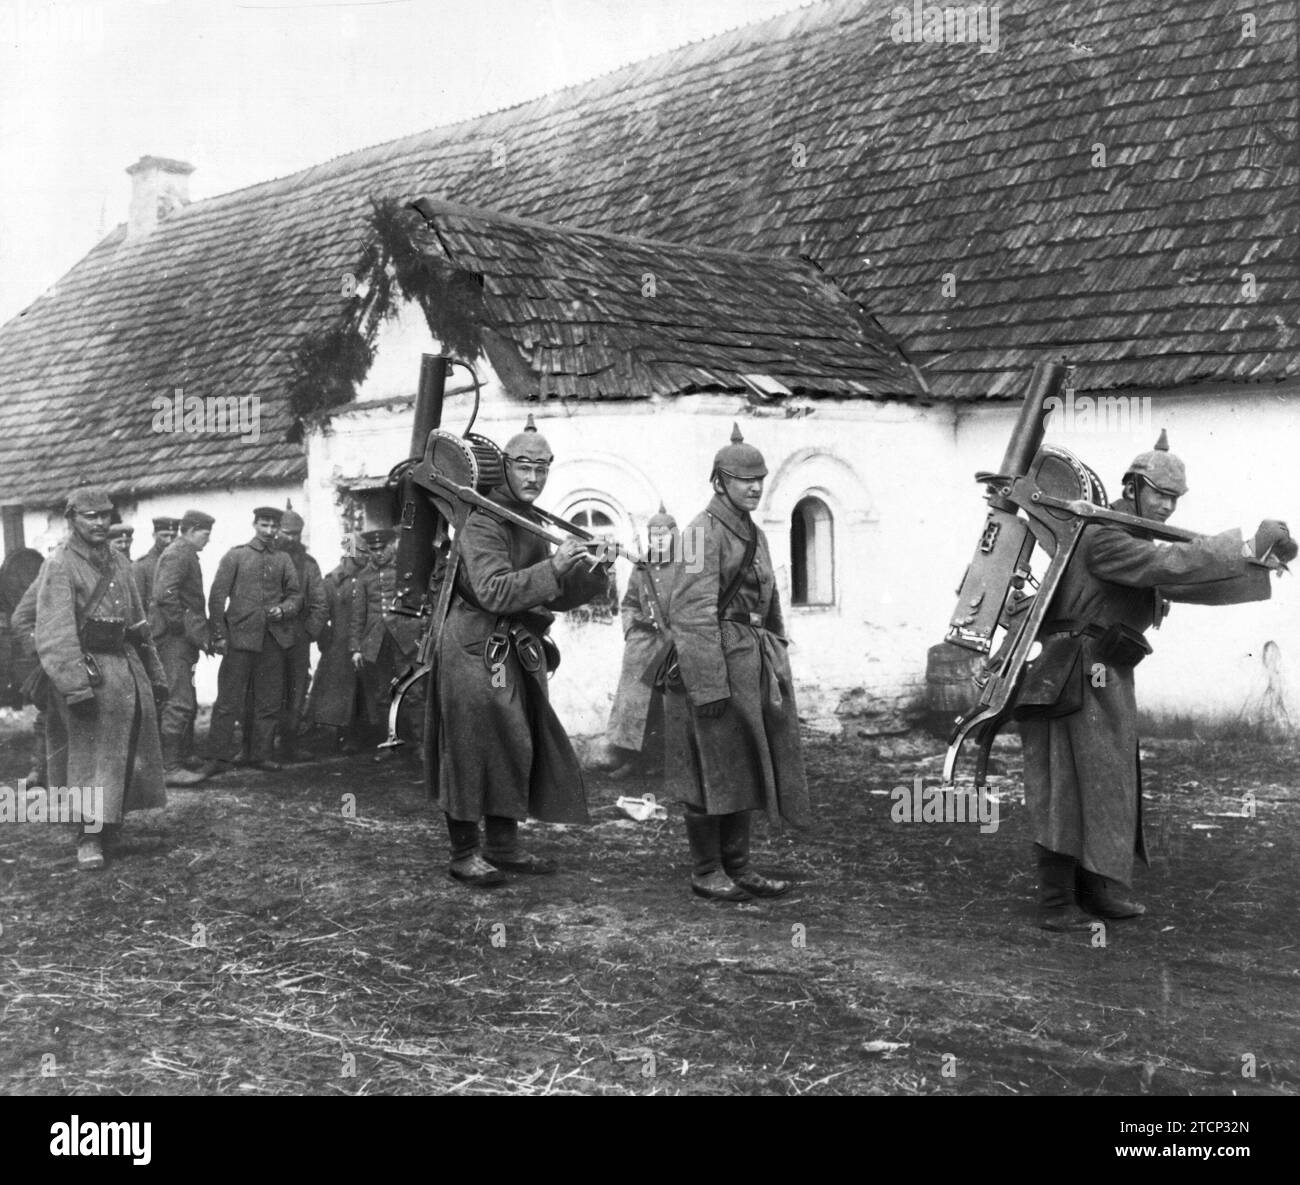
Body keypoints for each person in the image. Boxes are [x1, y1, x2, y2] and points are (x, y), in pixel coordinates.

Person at [1018, 432, 1294, 931]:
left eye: (1174, 497)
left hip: (1104, 673)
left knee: (1108, 785)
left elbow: (1181, 580)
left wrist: (1258, 565)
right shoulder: (1103, 537)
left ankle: (1097, 889)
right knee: (1064, 783)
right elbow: (1167, 564)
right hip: (1069, 674)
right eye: (1159, 493)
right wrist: (1244, 546)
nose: (1167, 505)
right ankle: (1056, 901)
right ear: (1132, 488)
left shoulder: (1132, 540)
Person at [431, 416, 612, 887]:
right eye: (524, 467)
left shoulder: (529, 520)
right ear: (506, 467)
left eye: (542, 469)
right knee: (470, 747)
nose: (533, 478)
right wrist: (554, 566)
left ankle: (504, 846)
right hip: (472, 644)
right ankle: (464, 852)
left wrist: (593, 573)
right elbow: (491, 591)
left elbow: (550, 595)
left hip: (513, 646)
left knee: (513, 741)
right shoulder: (485, 518)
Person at [663, 424, 809, 901]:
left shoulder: (753, 532)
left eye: (759, 479)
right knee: (712, 767)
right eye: (742, 478)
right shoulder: (699, 533)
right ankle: (707, 870)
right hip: (713, 664)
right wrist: (708, 687)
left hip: (751, 663)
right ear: (718, 481)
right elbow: (689, 613)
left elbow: (771, 603)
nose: (754, 487)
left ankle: (740, 865)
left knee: (743, 764)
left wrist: (777, 656)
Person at [35, 486, 169, 870]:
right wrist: (75, 687)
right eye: (89, 516)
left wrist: (155, 674)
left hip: (126, 669)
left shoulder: (119, 562)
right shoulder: (59, 565)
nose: (98, 523)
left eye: (104, 515)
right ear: (72, 519)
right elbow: (55, 634)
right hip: (88, 672)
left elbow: (140, 624)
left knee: (121, 756)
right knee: (88, 761)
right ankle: (88, 838)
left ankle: (111, 828)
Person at [201, 507, 301, 775]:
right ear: (255, 524)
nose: (269, 532)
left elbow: (296, 595)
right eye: (264, 525)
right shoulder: (236, 555)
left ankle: (260, 755)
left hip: (273, 639)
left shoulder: (283, 559)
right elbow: (217, 597)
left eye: (273, 527)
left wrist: (284, 609)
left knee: (268, 701)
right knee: (228, 700)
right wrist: (219, 635)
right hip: (239, 638)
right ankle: (217, 757)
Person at [598, 503, 679, 777]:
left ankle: (666, 762)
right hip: (643, 643)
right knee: (636, 703)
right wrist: (632, 629)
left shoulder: (686, 568)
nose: (657, 540)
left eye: (662, 535)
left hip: (674, 644)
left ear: (674, 536)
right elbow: (630, 602)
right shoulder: (642, 567)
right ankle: (634, 759)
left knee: (668, 705)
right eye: (653, 535)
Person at [151, 510, 216, 785]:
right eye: (205, 533)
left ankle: (175, 759)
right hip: (173, 639)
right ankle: (170, 767)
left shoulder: (183, 552)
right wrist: (181, 626)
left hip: (180, 639)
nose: (208, 540)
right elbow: (164, 593)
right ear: (190, 530)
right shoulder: (179, 553)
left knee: (181, 698)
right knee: (178, 702)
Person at [350, 527, 423, 759]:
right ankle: (392, 743)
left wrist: (420, 635)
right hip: (376, 642)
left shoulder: (406, 572)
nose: (379, 553)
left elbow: (420, 605)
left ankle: (422, 744)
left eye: (383, 548)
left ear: (393, 546)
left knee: (412, 691)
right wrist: (356, 648)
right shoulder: (363, 577)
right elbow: (358, 614)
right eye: (374, 549)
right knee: (383, 695)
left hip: (405, 640)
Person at [306, 532, 370, 754]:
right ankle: (333, 736)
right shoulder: (332, 581)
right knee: (334, 694)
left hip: (366, 643)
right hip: (338, 647)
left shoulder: (368, 578)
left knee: (363, 693)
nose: (365, 557)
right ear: (349, 553)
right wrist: (326, 643)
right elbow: (321, 614)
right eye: (361, 552)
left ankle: (357, 736)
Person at [275, 507, 327, 763]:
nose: (292, 539)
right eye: (287, 533)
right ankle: (261, 745)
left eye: (296, 534)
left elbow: (319, 602)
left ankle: (290, 743)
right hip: (269, 637)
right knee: (268, 688)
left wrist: (309, 632)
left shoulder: (308, 565)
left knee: (296, 688)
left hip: (298, 637)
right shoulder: (267, 559)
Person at [132, 516, 179, 607]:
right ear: (154, 535)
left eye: (173, 536)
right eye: (164, 536)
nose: (169, 541)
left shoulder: (180, 562)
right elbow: (138, 604)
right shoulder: (141, 566)